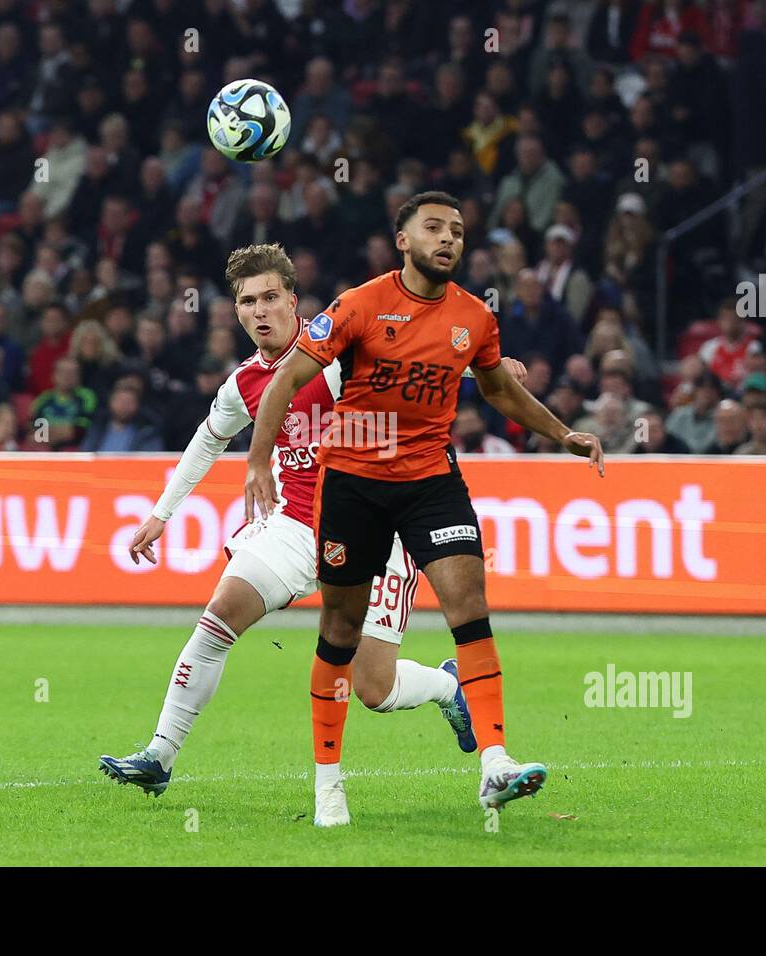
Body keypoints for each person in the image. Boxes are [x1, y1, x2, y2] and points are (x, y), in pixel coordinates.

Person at [101, 244, 528, 827]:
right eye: (247, 302)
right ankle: (160, 754)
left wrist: (496, 373)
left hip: (377, 527)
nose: (259, 311)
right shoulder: (246, 382)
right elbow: (208, 439)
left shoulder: (341, 349)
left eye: (270, 297)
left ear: (293, 302)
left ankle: (445, 688)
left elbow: (425, 366)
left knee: (371, 688)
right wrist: (161, 514)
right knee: (218, 617)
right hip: (297, 524)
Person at [244, 193, 604, 813]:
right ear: (403, 240)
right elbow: (286, 379)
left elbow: (498, 390)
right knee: (340, 631)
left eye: (458, 231)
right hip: (353, 482)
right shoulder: (358, 305)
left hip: (430, 481)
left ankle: (495, 762)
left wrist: (562, 433)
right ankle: (328, 786)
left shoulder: (475, 319)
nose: (449, 239)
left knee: (469, 604)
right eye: (434, 228)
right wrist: (257, 463)